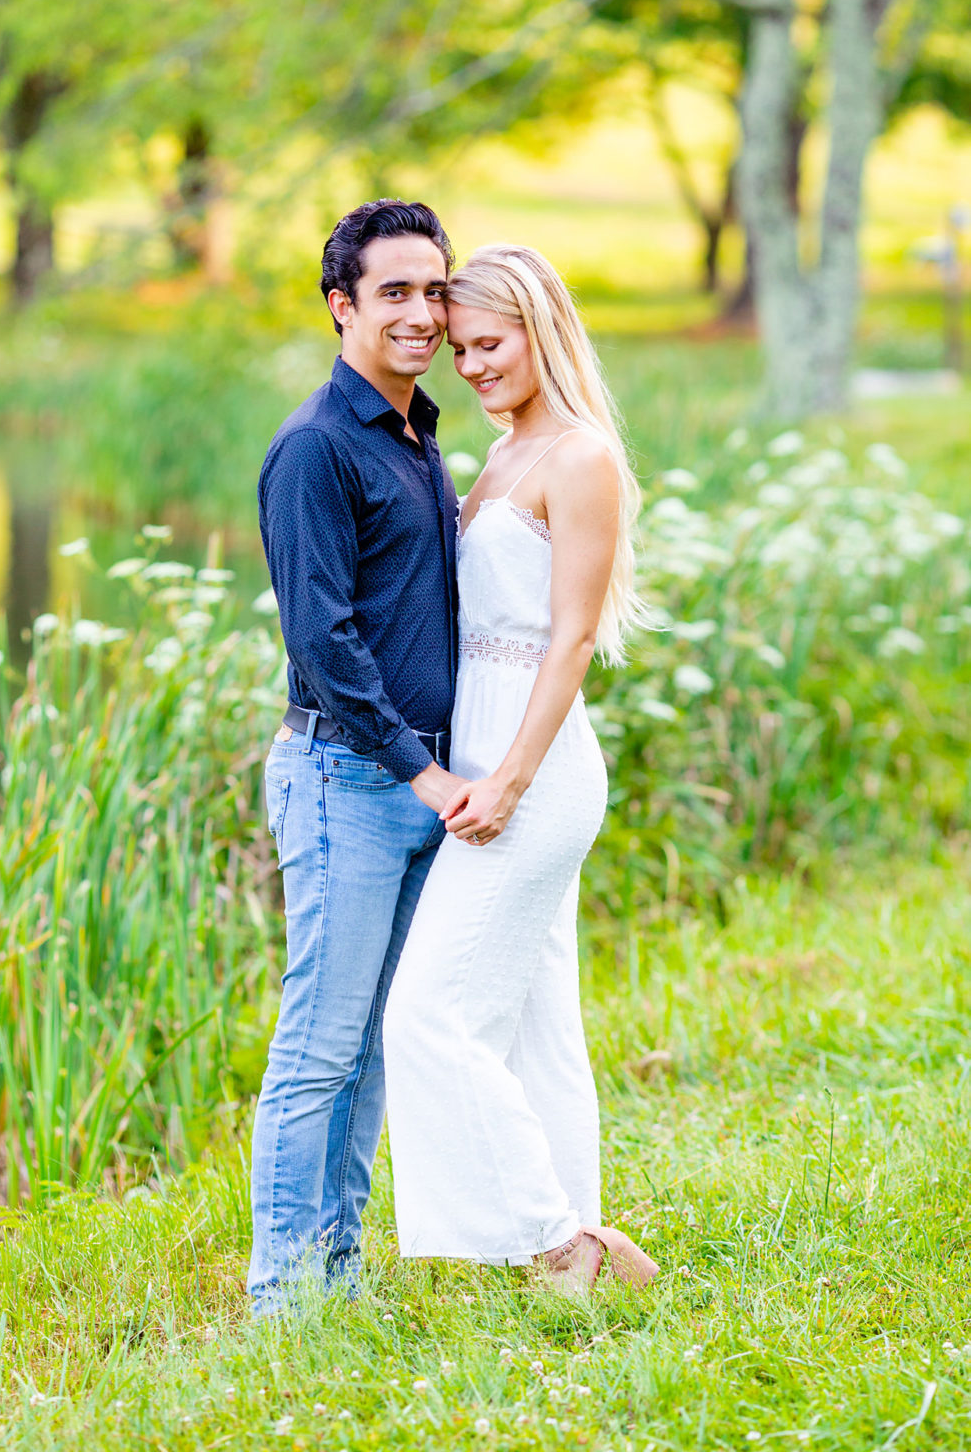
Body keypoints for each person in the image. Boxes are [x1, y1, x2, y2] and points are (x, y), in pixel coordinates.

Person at [382, 244, 659, 1294]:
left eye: (489, 344)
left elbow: (571, 641)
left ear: (539, 329)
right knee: (541, 1017)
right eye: (459, 349)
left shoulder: (577, 456)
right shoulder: (500, 451)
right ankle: (575, 1240)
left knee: (428, 1014)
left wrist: (505, 778)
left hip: (532, 764)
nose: (471, 365)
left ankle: (555, 1236)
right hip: (483, 746)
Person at [247, 199, 468, 1317]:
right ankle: (284, 1301)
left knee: (371, 1048)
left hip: (412, 783)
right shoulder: (316, 448)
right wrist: (421, 771)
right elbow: (322, 643)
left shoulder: (417, 436)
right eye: (395, 291)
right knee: (317, 1049)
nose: (422, 312)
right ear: (342, 305)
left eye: (434, 289)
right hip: (348, 779)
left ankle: (337, 1273)